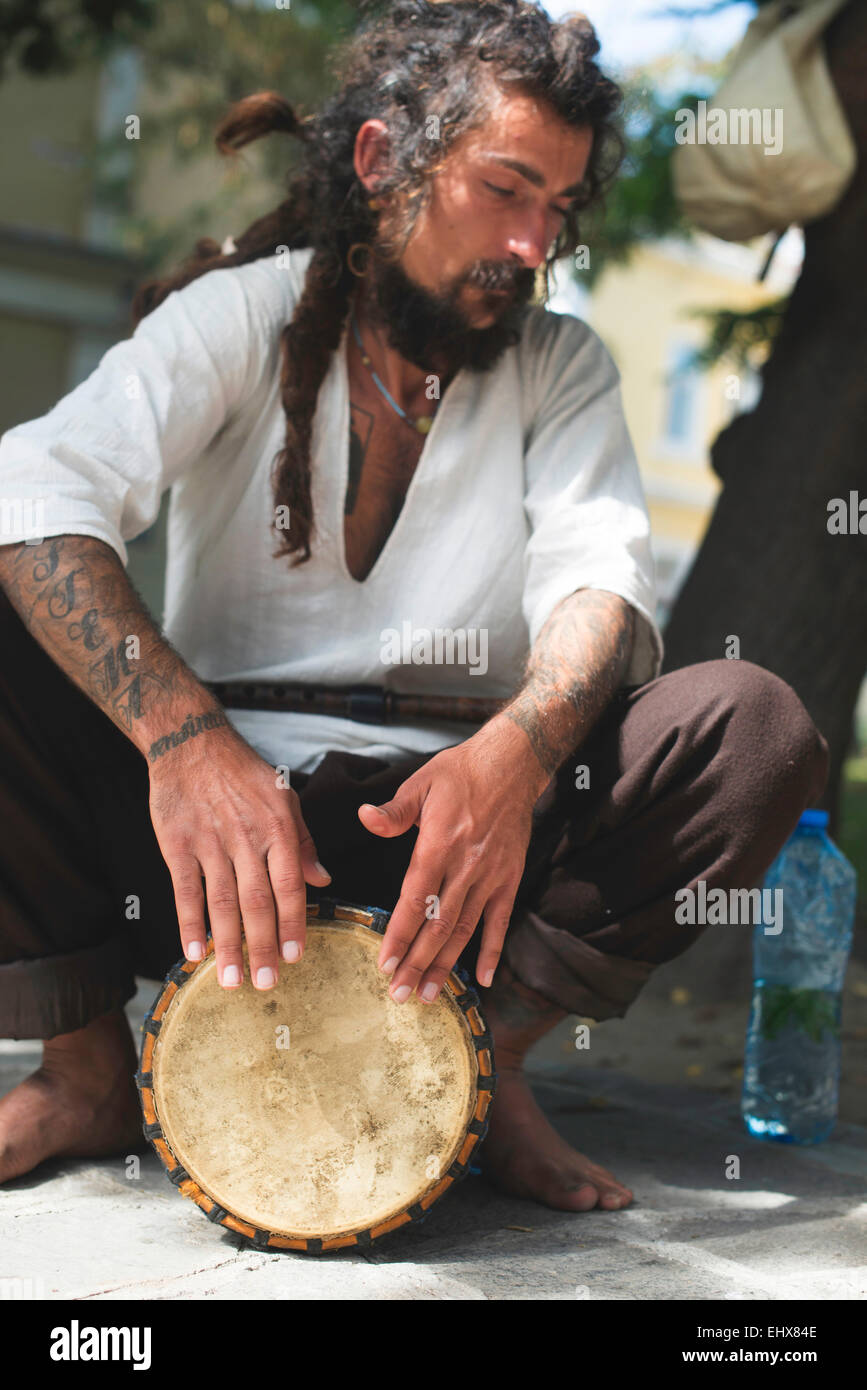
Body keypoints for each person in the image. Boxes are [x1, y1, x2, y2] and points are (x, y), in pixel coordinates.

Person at [0, 0, 826, 1213]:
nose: (538, 241)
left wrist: (518, 756)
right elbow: (32, 488)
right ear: (386, 163)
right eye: (507, 189)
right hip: (223, 855)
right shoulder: (244, 311)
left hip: (459, 862)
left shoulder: (562, 362)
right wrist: (183, 741)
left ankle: (478, 1070)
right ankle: (82, 1074)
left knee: (757, 727)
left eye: (562, 206)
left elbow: (603, 582)